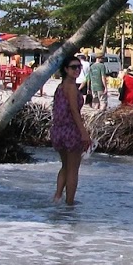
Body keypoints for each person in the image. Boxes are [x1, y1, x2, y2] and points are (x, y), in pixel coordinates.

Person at [50, 57, 92, 205]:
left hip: (58, 130)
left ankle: (57, 197)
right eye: (73, 67)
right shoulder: (72, 87)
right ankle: (69, 204)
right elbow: (74, 111)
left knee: (65, 166)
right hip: (70, 131)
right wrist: (84, 133)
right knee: (73, 169)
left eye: (79, 67)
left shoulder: (60, 87)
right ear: (66, 70)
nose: (77, 70)